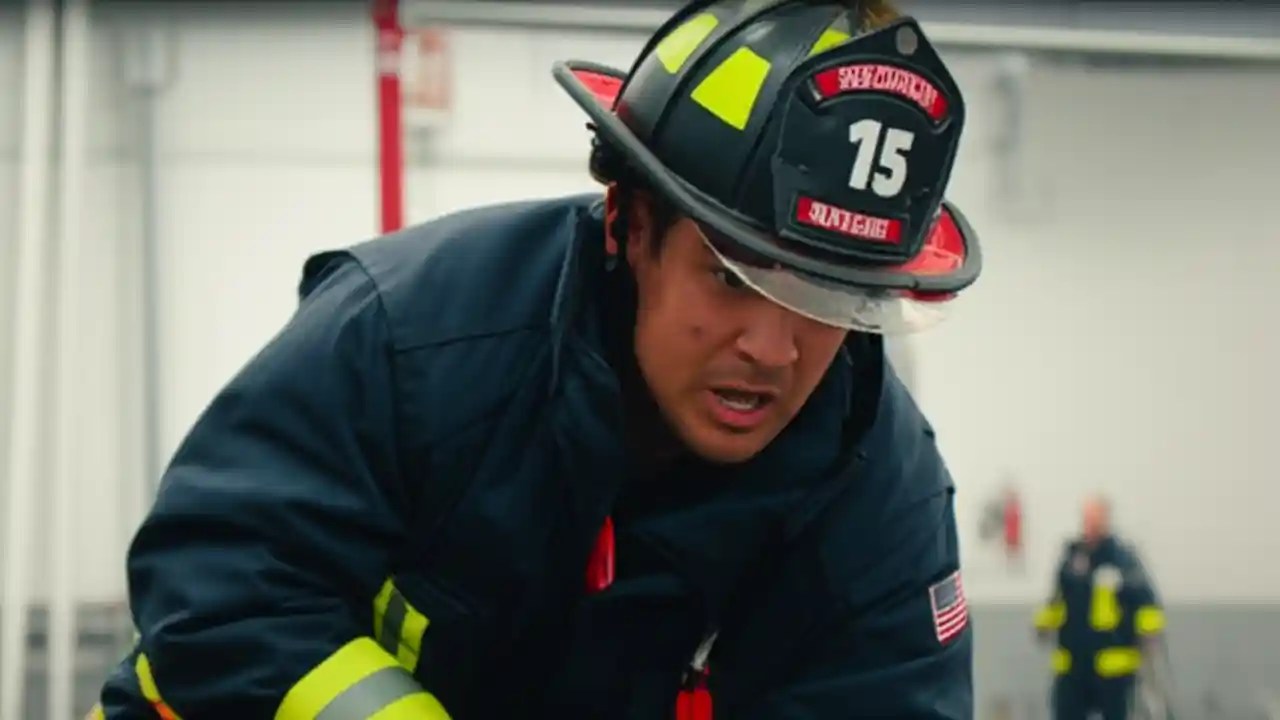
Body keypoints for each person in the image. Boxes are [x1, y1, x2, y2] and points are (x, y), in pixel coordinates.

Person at [91, 0, 983, 717]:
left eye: (828, 303)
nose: (774, 348)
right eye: (730, 277)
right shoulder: (417, 339)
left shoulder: (876, 491)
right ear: (630, 223)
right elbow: (220, 590)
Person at [1035, 496, 1167, 720]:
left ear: (1106, 520)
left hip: (1112, 664)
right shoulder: (1072, 557)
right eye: (1086, 519)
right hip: (1073, 664)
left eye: (1095, 519)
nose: (1090, 525)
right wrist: (1043, 624)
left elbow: (1146, 602)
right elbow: (1057, 599)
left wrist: (1149, 634)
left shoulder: (1124, 559)